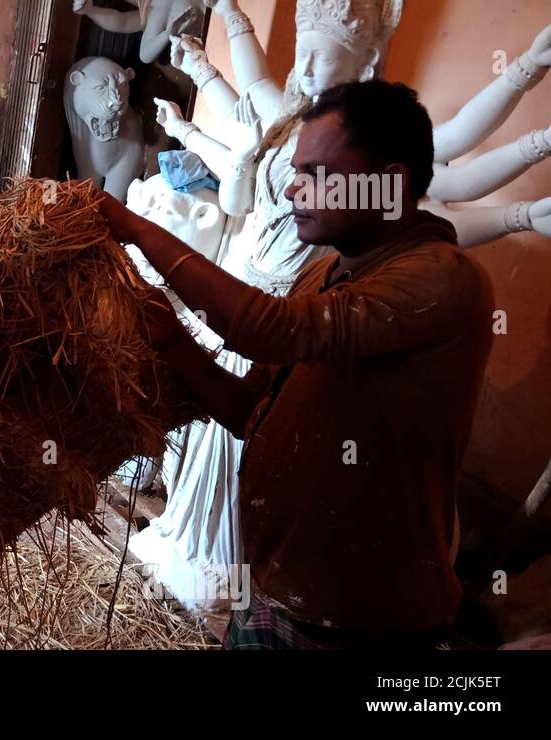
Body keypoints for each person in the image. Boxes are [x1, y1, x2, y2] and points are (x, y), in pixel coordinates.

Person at [102, 80, 495, 649]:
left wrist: (137, 228)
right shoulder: (326, 273)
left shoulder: (444, 278)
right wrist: (169, 335)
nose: (292, 191)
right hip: (271, 590)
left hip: (361, 623)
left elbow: (270, 328)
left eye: (316, 175)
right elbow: (252, 413)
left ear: (391, 184)